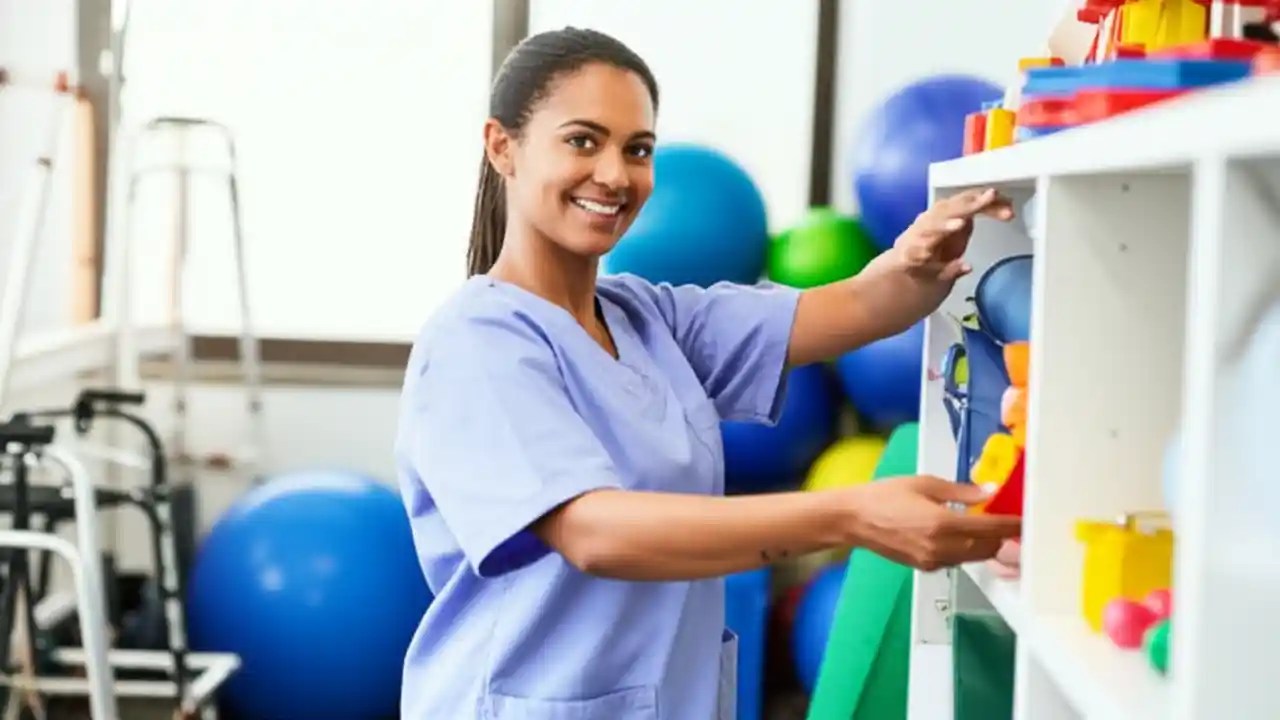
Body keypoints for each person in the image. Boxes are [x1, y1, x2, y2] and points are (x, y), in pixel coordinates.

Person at [394, 26, 1021, 720]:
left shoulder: (646, 318)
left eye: (637, 149)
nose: (613, 173)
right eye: (582, 140)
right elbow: (594, 533)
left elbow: (852, 306)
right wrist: (852, 515)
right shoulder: (475, 344)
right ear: (501, 146)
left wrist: (920, 258)